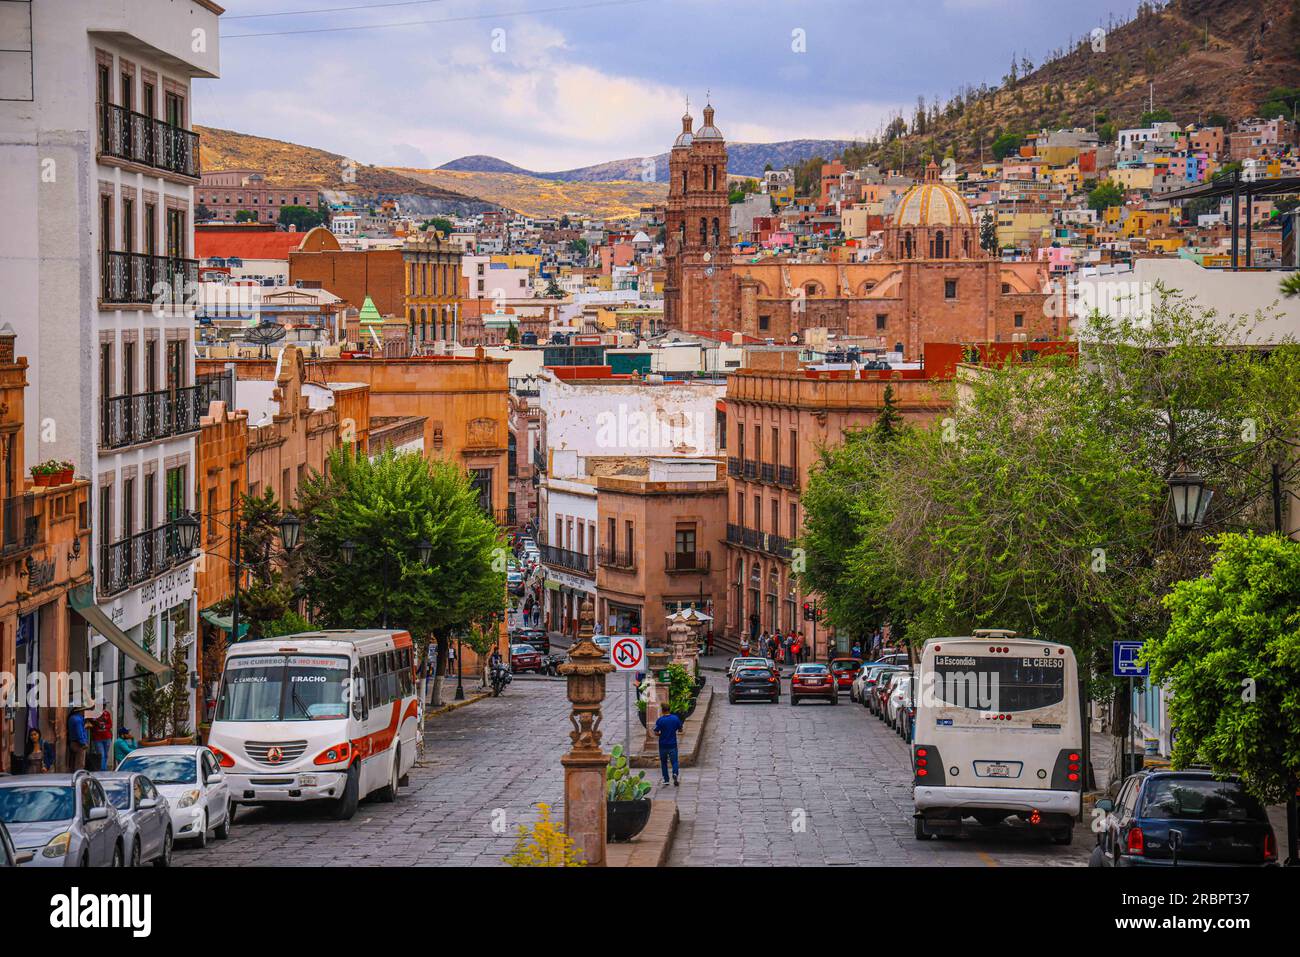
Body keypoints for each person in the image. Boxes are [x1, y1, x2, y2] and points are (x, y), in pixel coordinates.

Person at [653, 710, 684, 786]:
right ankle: (675, 773)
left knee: (663, 762)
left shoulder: (660, 720)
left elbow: (656, 732)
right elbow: (680, 729)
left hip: (663, 745)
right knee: (674, 762)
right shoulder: (675, 718)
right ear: (669, 709)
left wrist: (661, 734)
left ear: (663, 710)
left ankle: (666, 779)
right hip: (672, 744)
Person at [90, 705, 113, 770]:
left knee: (105, 755)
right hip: (98, 738)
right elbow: (90, 724)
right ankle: (103, 771)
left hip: (107, 737)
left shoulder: (107, 713)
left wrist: (104, 726)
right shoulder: (93, 714)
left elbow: (110, 725)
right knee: (101, 755)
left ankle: (103, 769)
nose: (103, 706)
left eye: (104, 705)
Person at [67, 703, 89, 771]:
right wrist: (83, 743)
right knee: (80, 763)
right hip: (78, 744)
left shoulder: (72, 718)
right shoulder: (78, 720)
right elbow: (79, 732)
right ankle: (78, 777)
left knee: (74, 761)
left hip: (73, 742)